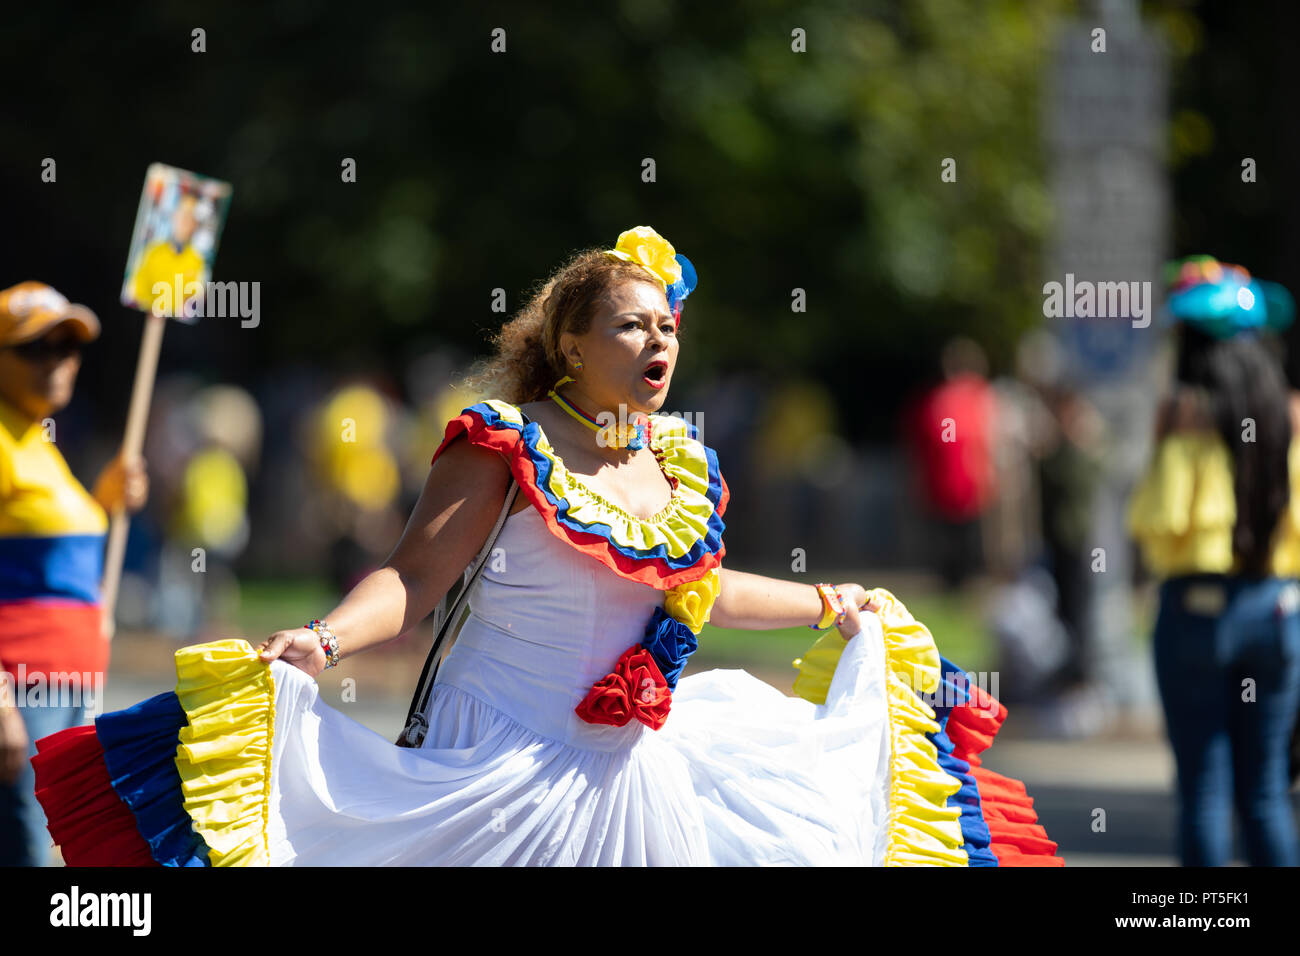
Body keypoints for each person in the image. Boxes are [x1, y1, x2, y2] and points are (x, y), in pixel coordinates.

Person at [28, 228, 1059, 866]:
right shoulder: (503, 442)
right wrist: (324, 638)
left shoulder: (676, 462)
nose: (658, 344)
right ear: (570, 341)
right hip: (496, 756)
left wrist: (829, 598)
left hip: (630, 771)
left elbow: (702, 588)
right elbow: (413, 575)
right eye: (629, 325)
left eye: (667, 328)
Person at [1128, 255, 1300, 866]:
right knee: (1267, 790)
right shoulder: (1290, 415)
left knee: (1203, 791)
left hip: (1196, 612)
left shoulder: (1181, 416)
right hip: (1278, 610)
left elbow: (1156, 526)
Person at [0, 281, 148, 866]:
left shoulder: (36, 441)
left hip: (66, 690)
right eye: (35, 348)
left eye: (67, 347)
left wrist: (105, 503)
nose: (56, 361)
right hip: (20, 690)